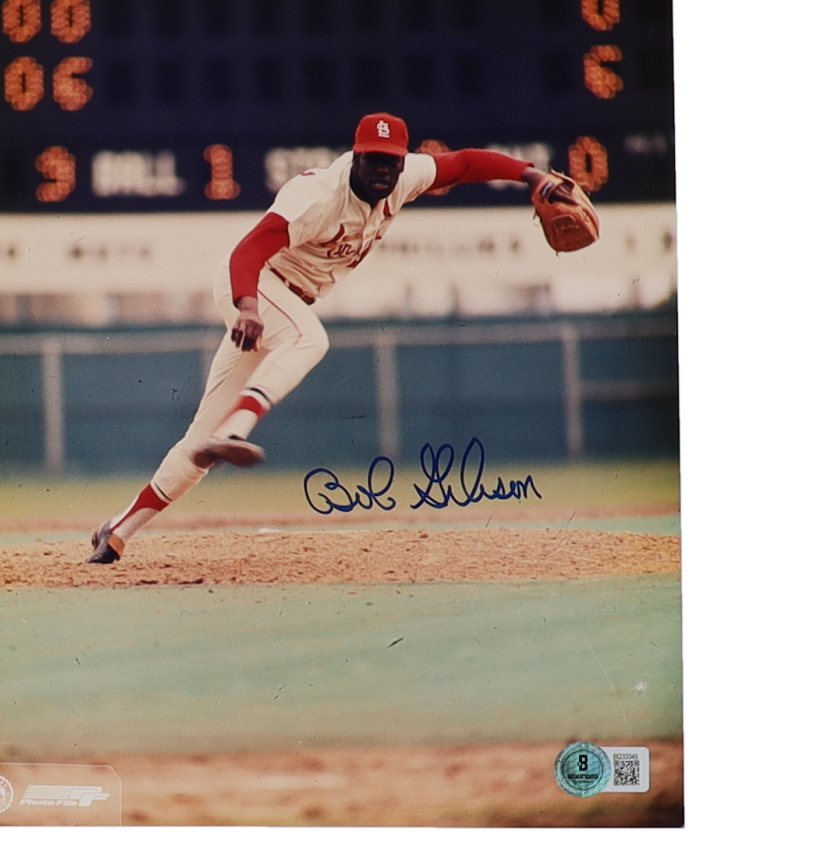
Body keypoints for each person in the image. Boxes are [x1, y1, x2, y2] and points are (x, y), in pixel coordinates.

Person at [85, 112, 554, 563]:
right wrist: (248, 307)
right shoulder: (316, 197)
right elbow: (247, 251)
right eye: (373, 159)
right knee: (311, 340)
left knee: (199, 446)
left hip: (284, 304)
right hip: (253, 285)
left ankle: (117, 532)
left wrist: (531, 176)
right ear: (355, 156)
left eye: (391, 160)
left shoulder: (407, 176)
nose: (383, 169)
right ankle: (236, 428)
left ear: (402, 160)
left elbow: (467, 162)